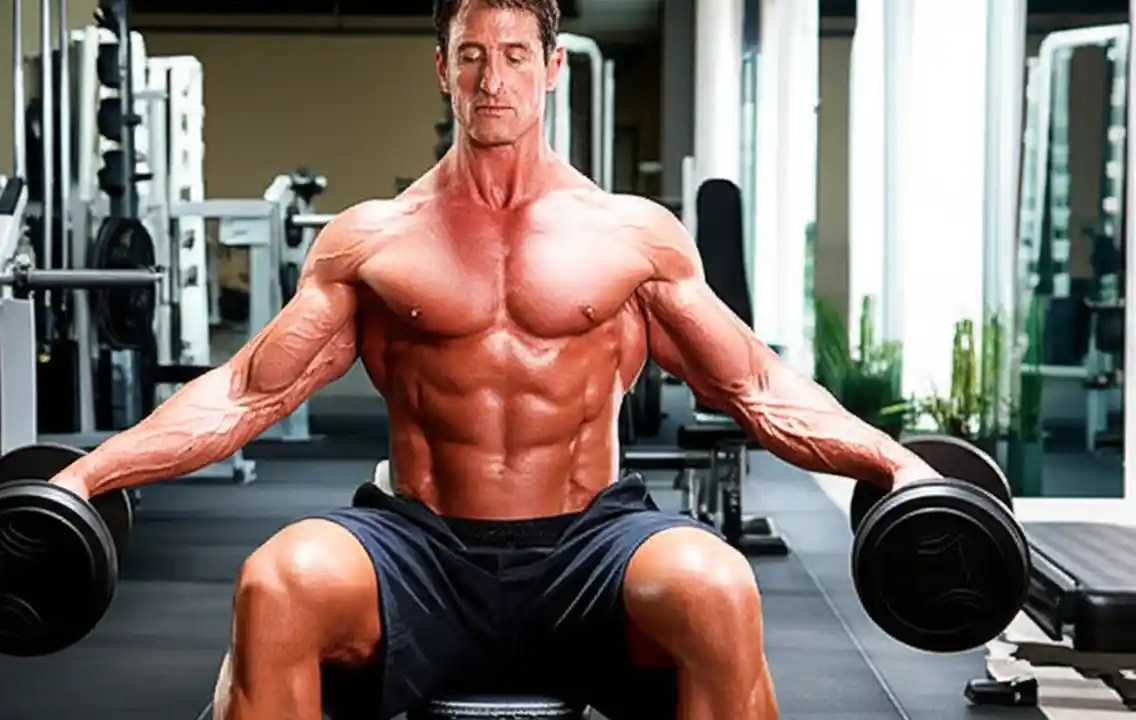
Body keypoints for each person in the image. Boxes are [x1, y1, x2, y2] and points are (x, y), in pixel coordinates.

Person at [52, 1, 938, 717]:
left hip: (592, 543)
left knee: (718, 588)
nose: (492, 79)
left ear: (552, 68)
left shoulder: (632, 237)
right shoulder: (372, 240)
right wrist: (82, 480)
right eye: (471, 55)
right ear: (442, 69)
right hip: (420, 544)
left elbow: (755, 384)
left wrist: (901, 467)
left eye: (514, 55)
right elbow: (249, 392)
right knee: (276, 584)